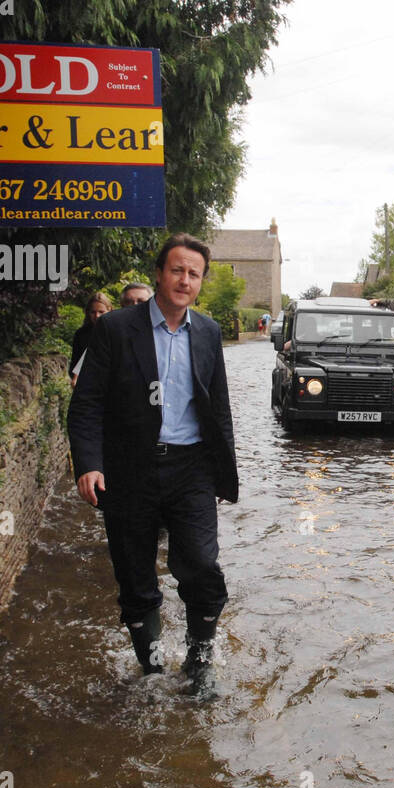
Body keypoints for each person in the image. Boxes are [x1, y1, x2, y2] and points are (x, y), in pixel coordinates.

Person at [67, 233, 240, 695]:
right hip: (130, 471)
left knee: (202, 566)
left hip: (192, 470)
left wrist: (225, 472)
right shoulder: (116, 329)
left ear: (201, 282)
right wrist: (89, 463)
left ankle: (200, 661)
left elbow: (217, 405)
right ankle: (153, 668)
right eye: (177, 270)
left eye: (194, 273)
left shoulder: (207, 332)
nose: (185, 280)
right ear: (160, 274)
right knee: (135, 575)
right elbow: (86, 404)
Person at [69, 292, 114, 387]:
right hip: (87, 384)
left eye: (101, 312)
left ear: (109, 310)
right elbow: (76, 361)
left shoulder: (117, 332)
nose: (97, 316)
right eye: (93, 312)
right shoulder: (81, 334)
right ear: (88, 312)